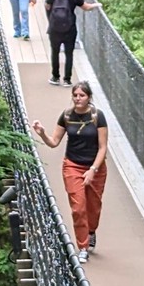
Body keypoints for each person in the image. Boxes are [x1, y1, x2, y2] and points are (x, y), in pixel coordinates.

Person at [31, 81, 108, 264]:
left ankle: (91, 231)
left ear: (89, 97)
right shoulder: (66, 115)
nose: (78, 98)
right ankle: (83, 247)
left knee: (93, 207)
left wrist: (92, 170)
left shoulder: (98, 116)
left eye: (82, 95)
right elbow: (53, 142)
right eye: (75, 95)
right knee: (78, 207)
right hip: (72, 166)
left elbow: (103, 147)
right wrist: (42, 133)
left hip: (95, 168)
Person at [44, 0, 97, 85]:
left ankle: (55, 77)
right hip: (70, 29)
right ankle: (67, 79)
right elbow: (86, 7)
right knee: (69, 54)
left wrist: (51, 20)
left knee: (55, 52)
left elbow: (47, 6)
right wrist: (96, 5)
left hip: (54, 29)